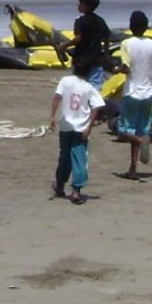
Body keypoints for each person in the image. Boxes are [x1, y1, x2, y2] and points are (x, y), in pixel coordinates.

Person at [115, 10, 152, 179]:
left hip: (132, 91)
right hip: (148, 92)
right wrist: (151, 77)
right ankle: (132, 169)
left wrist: (116, 69)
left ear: (131, 26)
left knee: (123, 130)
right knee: (140, 130)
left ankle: (138, 144)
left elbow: (126, 67)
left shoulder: (127, 44)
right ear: (146, 27)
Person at [50, 67, 105, 204]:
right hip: (81, 127)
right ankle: (76, 190)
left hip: (66, 125)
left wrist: (52, 117)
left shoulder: (65, 81)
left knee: (64, 156)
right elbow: (97, 106)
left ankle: (60, 184)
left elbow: (57, 96)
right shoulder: (88, 87)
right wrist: (89, 126)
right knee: (79, 157)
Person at [64, 0, 111, 83]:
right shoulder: (100, 21)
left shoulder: (80, 20)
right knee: (94, 85)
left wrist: (65, 45)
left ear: (87, 6)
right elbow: (107, 38)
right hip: (96, 59)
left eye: (81, 4)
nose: (78, 5)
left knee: (79, 84)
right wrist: (105, 54)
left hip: (81, 59)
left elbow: (78, 39)